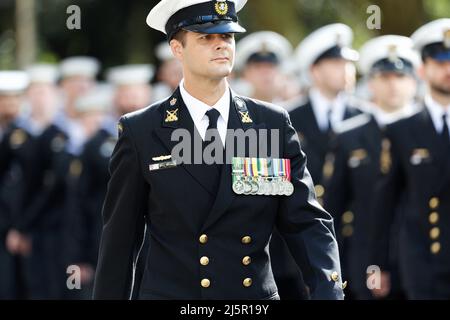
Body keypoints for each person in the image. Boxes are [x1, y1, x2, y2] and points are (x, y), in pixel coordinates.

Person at [93, 0, 344, 300]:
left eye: (226, 36)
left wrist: (329, 292)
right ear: (177, 49)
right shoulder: (142, 131)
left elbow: (304, 222)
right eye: (206, 38)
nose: (221, 45)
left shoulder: (270, 124)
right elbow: (120, 240)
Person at [324, 35, 420, 299]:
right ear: (371, 83)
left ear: (414, 82)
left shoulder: (430, 132)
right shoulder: (349, 136)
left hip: (424, 263)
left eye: (401, 77)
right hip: (365, 263)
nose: (393, 86)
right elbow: (333, 208)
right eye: (384, 77)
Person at [369, 18, 450, 299]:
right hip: (423, 262)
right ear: (423, 69)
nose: (448, 69)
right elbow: (384, 205)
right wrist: (377, 265)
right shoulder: (402, 130)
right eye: (440, 62)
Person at [288, 23, 361, 205]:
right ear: (315, 71)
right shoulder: (288, 118)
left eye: (348, 64)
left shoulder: (364, 118)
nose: (346, 70)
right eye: (337, 64)